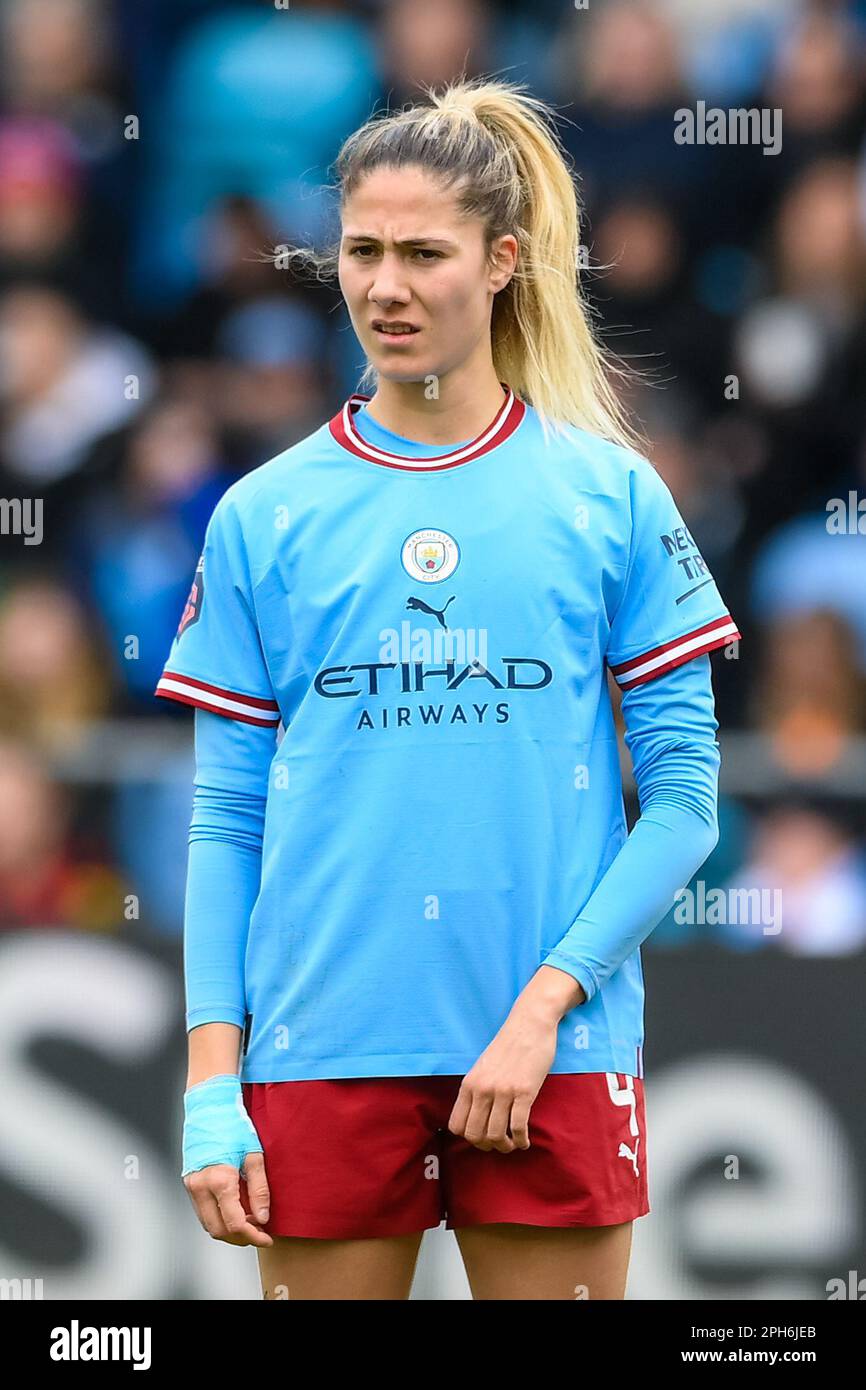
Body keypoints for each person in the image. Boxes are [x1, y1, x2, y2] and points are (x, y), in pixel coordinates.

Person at [155, 77, 741, 1301]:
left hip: (555, 1052)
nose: (385, 286)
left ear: (502, 261)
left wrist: (543, 1008)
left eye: (423, 253)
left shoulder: (609, 496)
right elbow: (226, 819)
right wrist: (215, 1073)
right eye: (361, 252)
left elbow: (685, 799)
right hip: (322, 1050)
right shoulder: (264, 514)